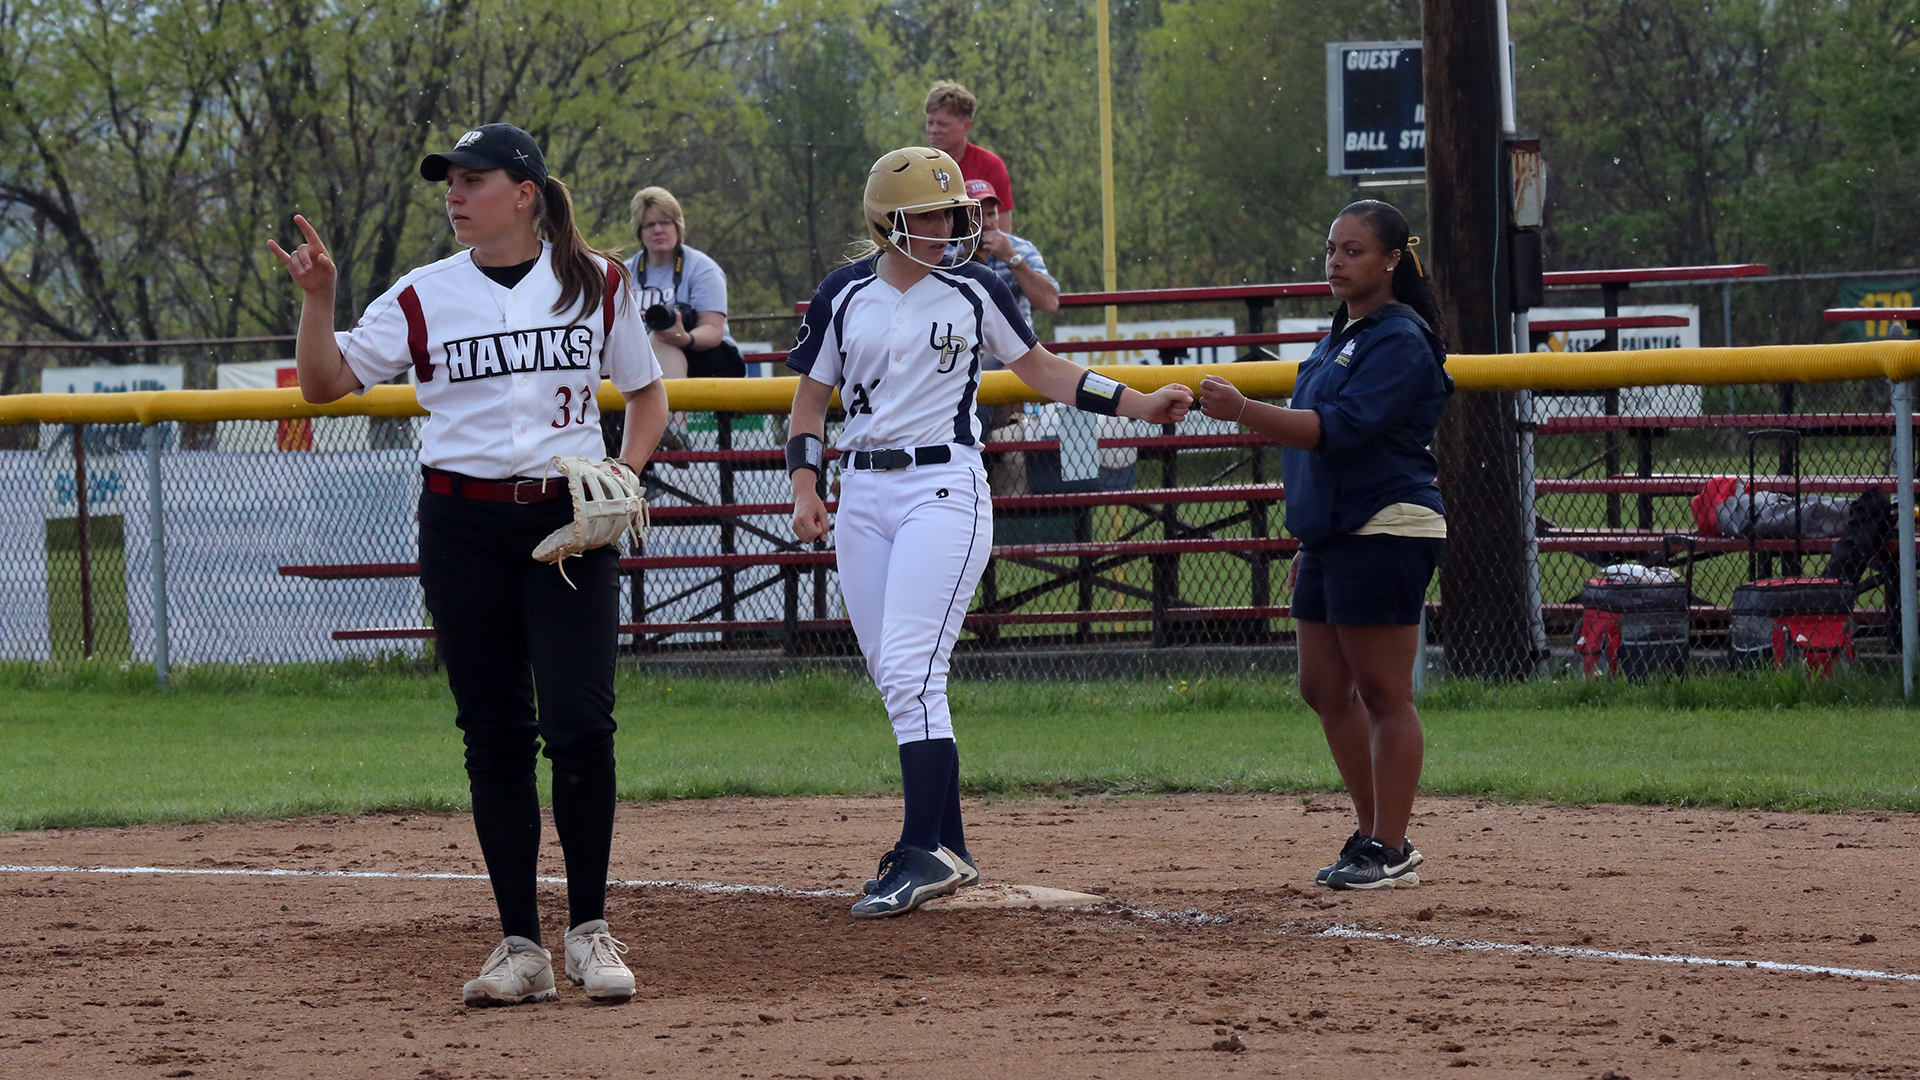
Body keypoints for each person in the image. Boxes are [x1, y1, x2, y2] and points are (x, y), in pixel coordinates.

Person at [268, 123, 670, 1004]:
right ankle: (521, 946)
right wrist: (320, 299)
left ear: (524, 191)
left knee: (579, 724)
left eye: (472, 181)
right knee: (492, 735)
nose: (454, 194)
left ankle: (590, 933)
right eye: (448, 182)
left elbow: (646, 392)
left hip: (571, 528)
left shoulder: (598, 282)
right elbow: (325, 385)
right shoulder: (422, 295)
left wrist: (627, 471)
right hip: (461, 525)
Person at [784, 146, 1192, 918]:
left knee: (910, 668)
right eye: (931, 215)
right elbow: (809, 405)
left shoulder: (975, 290)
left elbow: (1043, 370)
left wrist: (1135, 403)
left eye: (953, 214)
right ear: (888, 222)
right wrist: (805, 486)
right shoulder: (843, 294)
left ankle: (922, 850)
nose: (948, 227)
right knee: (898, 678)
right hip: (863, 490)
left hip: (943, 485)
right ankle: (952, 847)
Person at [1196, 199, 1452, 892]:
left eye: (1355, 250)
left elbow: (1335, 431)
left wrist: (1245, 410)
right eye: (1333, 249)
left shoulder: (1399, 336)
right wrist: (1310, 538)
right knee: (1322, 686)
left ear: (1393, 259)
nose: (1338, 262)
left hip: (1387, 523)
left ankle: (1388, 844)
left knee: (1383, 689)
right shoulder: (1345, 332)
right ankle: (1373, 835)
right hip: (1334, 531)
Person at [626, 186, 743, 380]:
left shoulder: (702, 268)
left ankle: (672, 411)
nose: (658, 230)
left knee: (660, 339)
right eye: (649, 225)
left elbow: (713, 329)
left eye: (665, 223)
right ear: (639, 232)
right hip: (641, 357)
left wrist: (682, 337)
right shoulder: (624, 273)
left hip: (709, 355)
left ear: (678, 228)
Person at [924, 81, 1015, 237]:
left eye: (942, 124)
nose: (933, 130)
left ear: (966, 126)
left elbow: (1002, 233)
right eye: (929, 123)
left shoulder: (990, 166)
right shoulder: (918, 167)